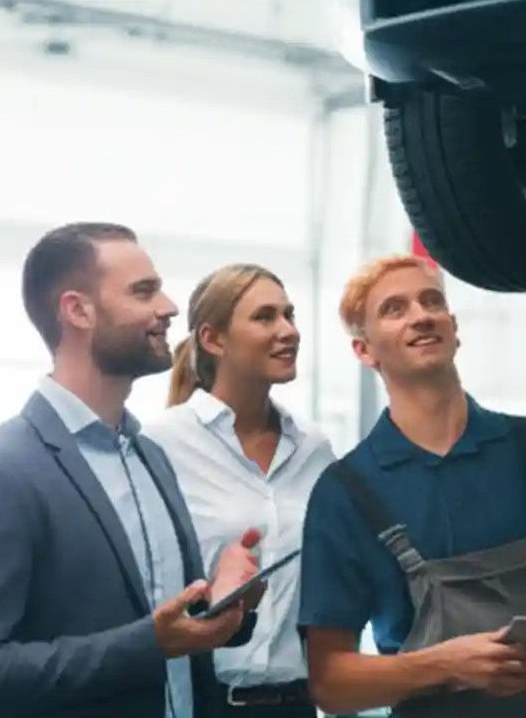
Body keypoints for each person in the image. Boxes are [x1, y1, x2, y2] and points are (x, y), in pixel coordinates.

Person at [0, 223, 265, 718]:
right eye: (144, 291)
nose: (169, 307)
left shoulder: (149, 455)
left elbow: (172, 631)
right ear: (77, 310)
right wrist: (148, 643)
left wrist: (219, 605)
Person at [297, 254, 526, 718]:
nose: (421, 315)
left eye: (431, 301)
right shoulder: (346, 493)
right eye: (395, 309)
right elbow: (331, 683)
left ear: (454, 328)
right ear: (364, 350)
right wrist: (443, 665)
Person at [146, 263, 335, 717]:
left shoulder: (314, 447)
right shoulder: (161, 444)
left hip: (299, 704)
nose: (288, 330)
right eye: (265, 317)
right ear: (213, 339)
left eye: (289, 314)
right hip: (205, 704)